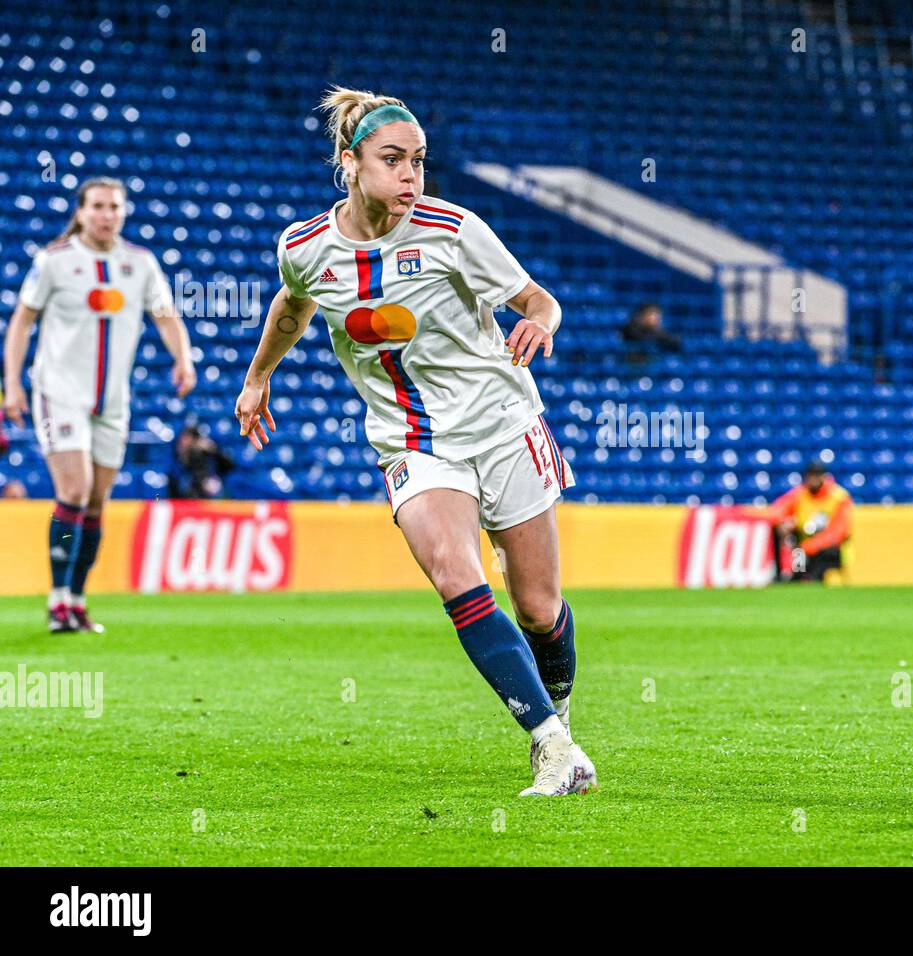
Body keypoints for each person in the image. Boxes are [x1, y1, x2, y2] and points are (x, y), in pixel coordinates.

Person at [234, 87, 593, 797]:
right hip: (413, 442)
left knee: (539, 609)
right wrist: (257, 380)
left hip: (504, 426)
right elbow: (291, 305)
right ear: (350, 162)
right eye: (393, 160)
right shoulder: (306, 247)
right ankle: (552, 746)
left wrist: (542, 323)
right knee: (457, 576)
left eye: (419, 162)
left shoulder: (453, 229)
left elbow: (535, 298)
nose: (409, 177)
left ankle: (561, 713)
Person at [3, 176, 196, 633]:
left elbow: (166, 317)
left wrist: (183, 359)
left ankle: (76, 599)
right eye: (98, 206)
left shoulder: (141, 264)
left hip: (112, 402)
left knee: (94, 502)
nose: (108, 215)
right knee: (73, 490)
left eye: (115, 207)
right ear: (82, 211)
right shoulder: (53, 262)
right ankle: (56, 601)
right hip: (59, 392)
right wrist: (12, 384)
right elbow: (20, 323)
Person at [768, 461, 852, 582]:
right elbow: (779, 508)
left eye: (817, 475)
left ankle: (810, 577)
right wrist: (783, 522)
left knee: (817, 562)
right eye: (811, 475)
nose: (813, 479)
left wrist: (808, 546)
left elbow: (837, 533)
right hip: (804, 546)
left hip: (828, 549)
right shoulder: (801, 493)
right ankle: (786, 575)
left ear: (824, 477)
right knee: (778, 531)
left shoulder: (839, 497)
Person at [168, 423, 236, 499]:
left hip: (206, 498)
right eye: (183, 439)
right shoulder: (175, 461)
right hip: (184, 502)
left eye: (189, 439)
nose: (185, 443)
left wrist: (215, 450)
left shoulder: (206, 457)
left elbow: (230, 466)